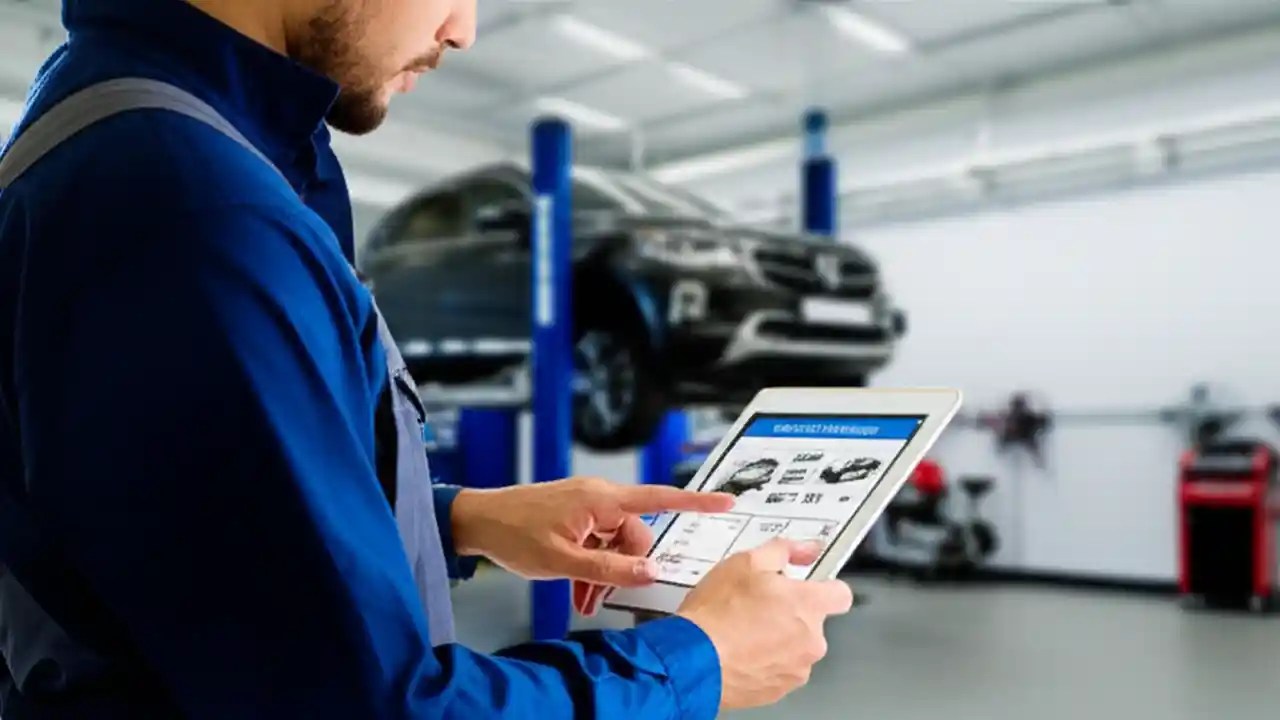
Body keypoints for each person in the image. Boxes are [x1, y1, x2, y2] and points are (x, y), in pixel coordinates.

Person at [0, 0, 855, 718]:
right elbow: (371, 709)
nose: (465, 29)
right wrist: (699, 662)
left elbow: (182, 527)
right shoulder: (195, 211)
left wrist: (460, 520)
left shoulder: (118, 131)